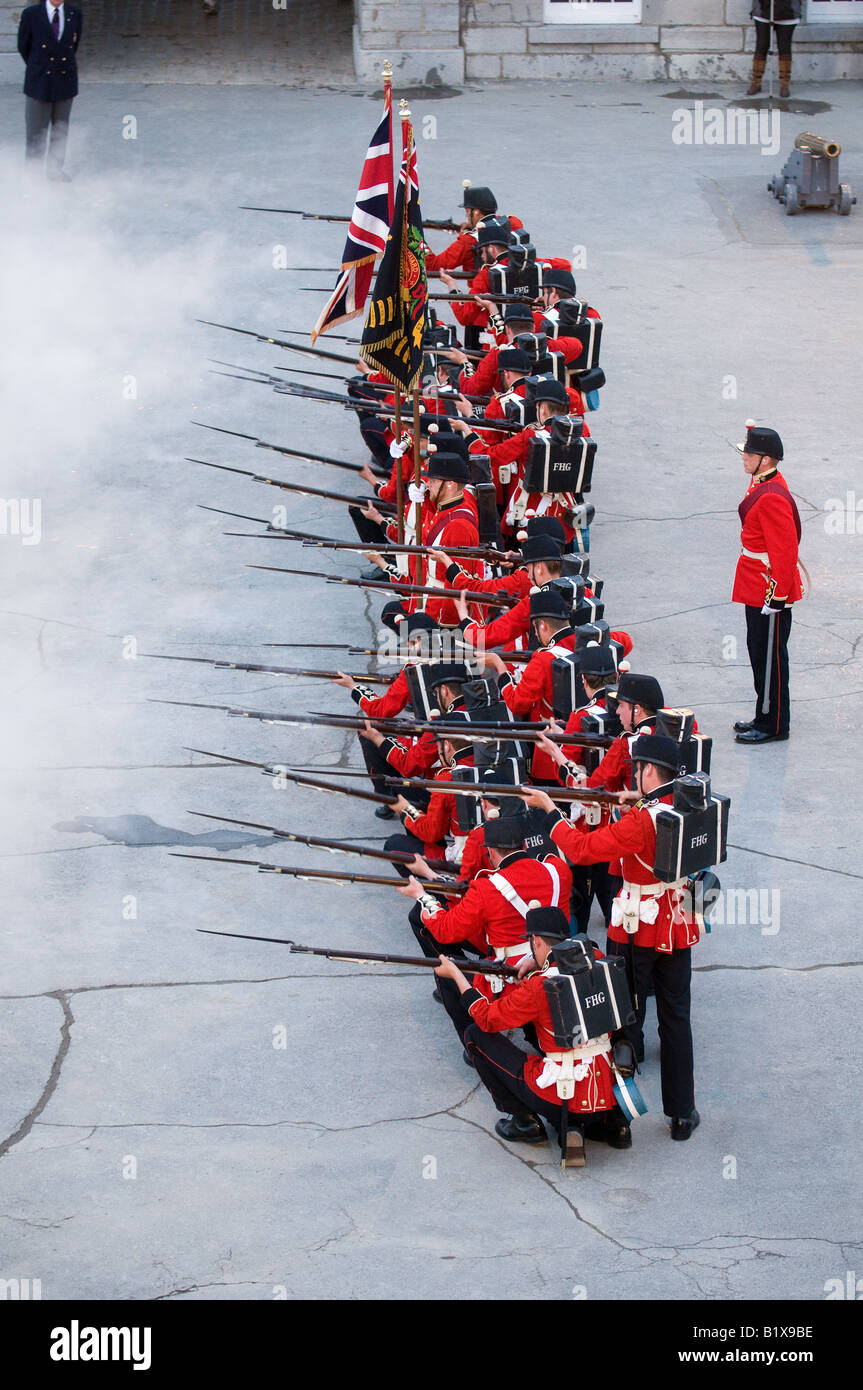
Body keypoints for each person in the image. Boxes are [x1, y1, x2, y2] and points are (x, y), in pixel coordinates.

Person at [523, 734, 701, 1141]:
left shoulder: (642, 820)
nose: (633, 775)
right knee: (676, 1019)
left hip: (636, 928)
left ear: (649, 771)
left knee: (624, 1025)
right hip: (677, 926)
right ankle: (681, 1113)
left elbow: (583, 849)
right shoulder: (686, 803)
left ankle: (617, 1118)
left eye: (636, 770)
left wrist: (551, 811)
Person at [433, 905, 630, 1161]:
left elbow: (487, 1018)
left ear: (535, 940)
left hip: (565, 1096)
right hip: (607, 1092)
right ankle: (599, 1125)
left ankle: (524, 1120)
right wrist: (535, 964)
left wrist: (458, 976)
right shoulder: (597, 958)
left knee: (475, 1035)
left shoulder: (540, 985)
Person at [732, 423, 802, 744]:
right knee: (758, 653)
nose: (744, 458)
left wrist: (777, 596)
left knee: (771, 659)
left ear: (766, 459)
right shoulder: (761, 482)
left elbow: (785, 553)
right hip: (755, 583)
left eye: (749, 453)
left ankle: (773, 724)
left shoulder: (772, 496)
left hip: (768, 590)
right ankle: (764, 713)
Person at [17, 1, 83, 181]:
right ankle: (33, 174)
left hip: (64, 81)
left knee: (60, 130)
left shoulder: (74, 13)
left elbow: (73, 47)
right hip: (39, 82)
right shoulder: (31, 14)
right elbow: (24, 46)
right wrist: (39, 66)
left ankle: (55, 171)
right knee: (35, 132)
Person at [747, 1, 800, 99]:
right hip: (763, 10)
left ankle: (785, 84)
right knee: (761, 46)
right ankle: (756, 82)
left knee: (784, 48)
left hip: (788, 11)